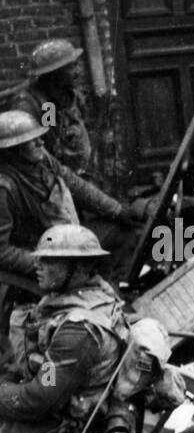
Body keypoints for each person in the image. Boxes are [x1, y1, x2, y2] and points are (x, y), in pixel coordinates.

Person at [0, 224, 129, 433]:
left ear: (78, 268)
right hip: (57, 390)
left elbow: (41, 396)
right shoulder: (95, 295)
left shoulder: (77, 331)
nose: (37, 265)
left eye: (49, 260)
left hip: (61, 419)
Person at [0, 109, 138, 278]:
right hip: (44, 254)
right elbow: (2, 252)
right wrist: (46, 264)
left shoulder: (41, 160)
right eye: (32, 140)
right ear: (14, 150)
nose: (41, 143)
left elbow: (75, 185)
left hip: (66, 237)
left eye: (38, 137)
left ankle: (109, 288)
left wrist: (117, 210)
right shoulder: (4, 187)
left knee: (122, 233)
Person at [4, 38, 94, 178]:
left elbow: (53, 133)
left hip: (74, 175)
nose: (78, 72)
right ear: (54, 74)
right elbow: (36, 153)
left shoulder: (63, 96)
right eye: (71, 67)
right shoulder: (27, 106)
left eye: (77, 65)